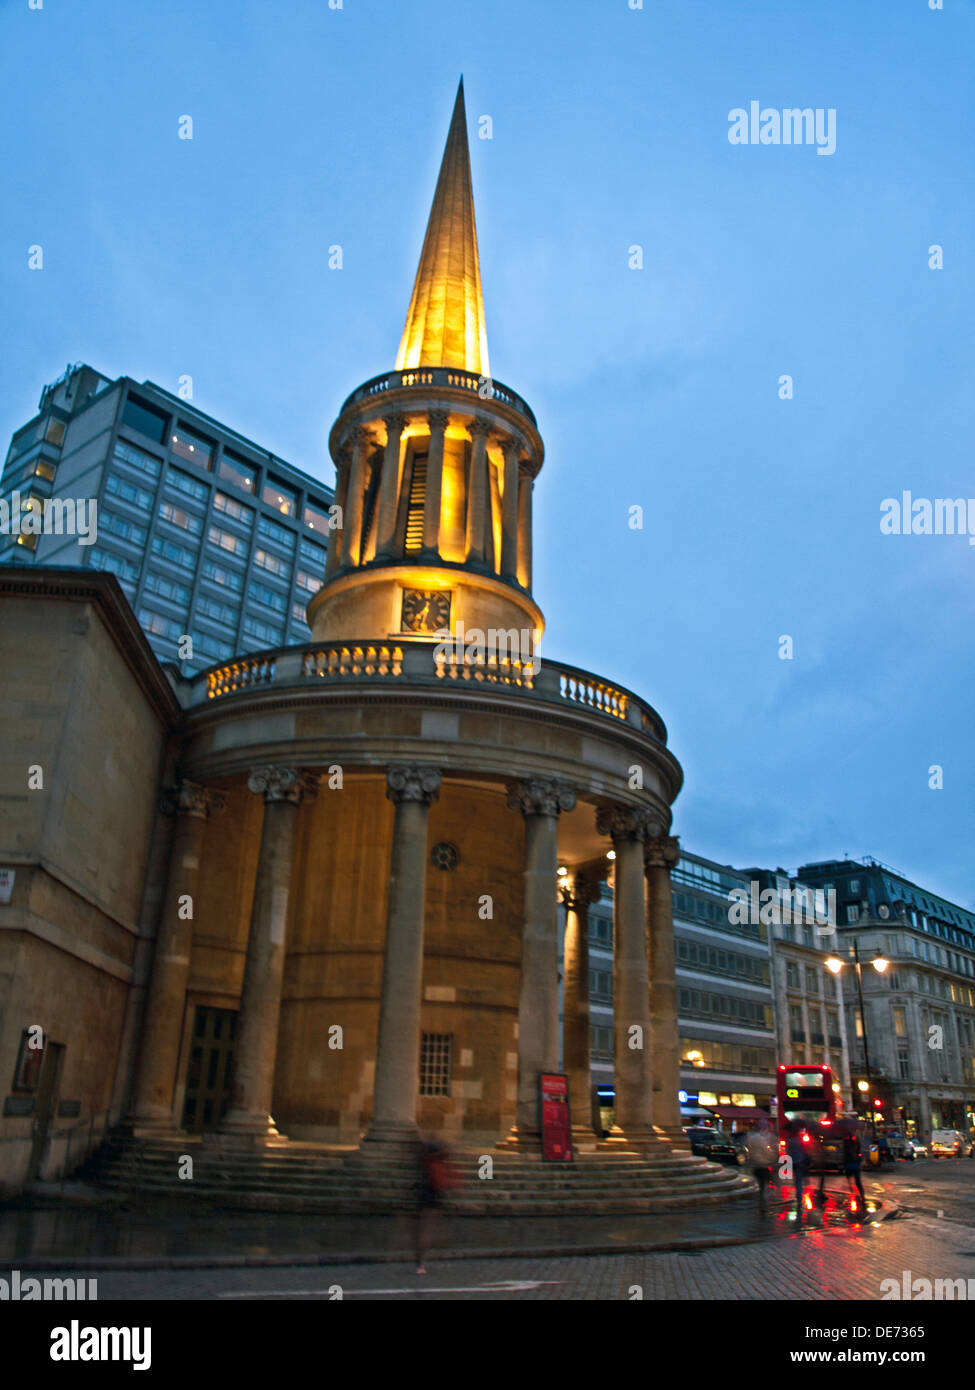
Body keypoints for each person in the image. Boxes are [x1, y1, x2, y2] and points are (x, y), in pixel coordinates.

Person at [414, 1139, 460, 1275]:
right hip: (432, 1197)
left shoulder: (427, 1162)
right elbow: (441, 1181)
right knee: (428, 1231)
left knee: (429, 1231)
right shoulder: (436, 1164)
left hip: (426, 1196)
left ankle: (424, 1262)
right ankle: (422, 1264)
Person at [745, 1119, 777, 1211]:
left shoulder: (752, 1138)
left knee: (761, 1183)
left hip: (756, 1164)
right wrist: (773, 1156)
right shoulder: (761, 1139)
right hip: (762, 1164)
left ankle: (761, 1200)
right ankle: (763, 1201)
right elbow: (765, 1151)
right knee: (767, 1182)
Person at [784, 1122, 810, 1218]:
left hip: (793, 1162)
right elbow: (805, 1150)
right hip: (800, 1161)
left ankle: (798, 1195)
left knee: (796, 1180)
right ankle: (799, 1197)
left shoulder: (788, 1140)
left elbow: (787, 1152)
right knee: (799, 1179)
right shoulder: (799, 1139)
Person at [842, 1124, 867, 1205]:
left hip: (850, 1162)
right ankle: (860, 1195)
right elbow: (859, 1150)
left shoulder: (846, 1141)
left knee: (851, 1178)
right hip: (854, 1162)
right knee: (857, 1180)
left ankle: (854, 1194)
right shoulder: (856, 1140)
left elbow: (846, 1151)